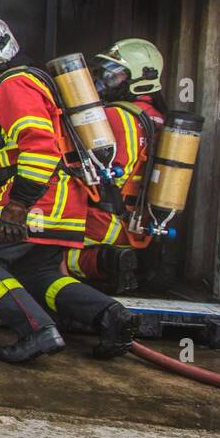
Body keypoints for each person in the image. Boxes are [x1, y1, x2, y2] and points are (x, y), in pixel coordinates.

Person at [0, 15, 140, 364]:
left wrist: (19, 202)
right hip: (67, 198)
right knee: (40, 274)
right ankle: (111, 317)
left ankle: (36, 331)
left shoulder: (14, 84)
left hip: (41, 195)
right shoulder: (29, 81)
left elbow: (39, 147)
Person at [64, 38, 168, 293]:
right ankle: (125, 262)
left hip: (106, 221)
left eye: (114, 76)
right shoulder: (158, 118)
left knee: (45, 251)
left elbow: (91, 172)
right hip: (141, 225)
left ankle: (105, 261)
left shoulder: (114, 115)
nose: (104, 82)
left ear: (143, 78)